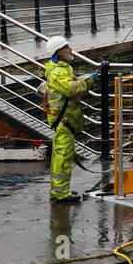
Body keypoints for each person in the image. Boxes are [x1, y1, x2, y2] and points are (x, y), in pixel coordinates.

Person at [43, 36, 98, 203]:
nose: (70, 49)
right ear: (59, 52)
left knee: (62, 156)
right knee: (63, 157)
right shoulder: (58, 72)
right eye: (67, 47)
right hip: (63, 121)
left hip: (64, 120)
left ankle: (60, 190)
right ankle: (60, 194)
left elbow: (71, 85)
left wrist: (87, 78)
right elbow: (72, 89)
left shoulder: (62, 68)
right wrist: (91, 80)